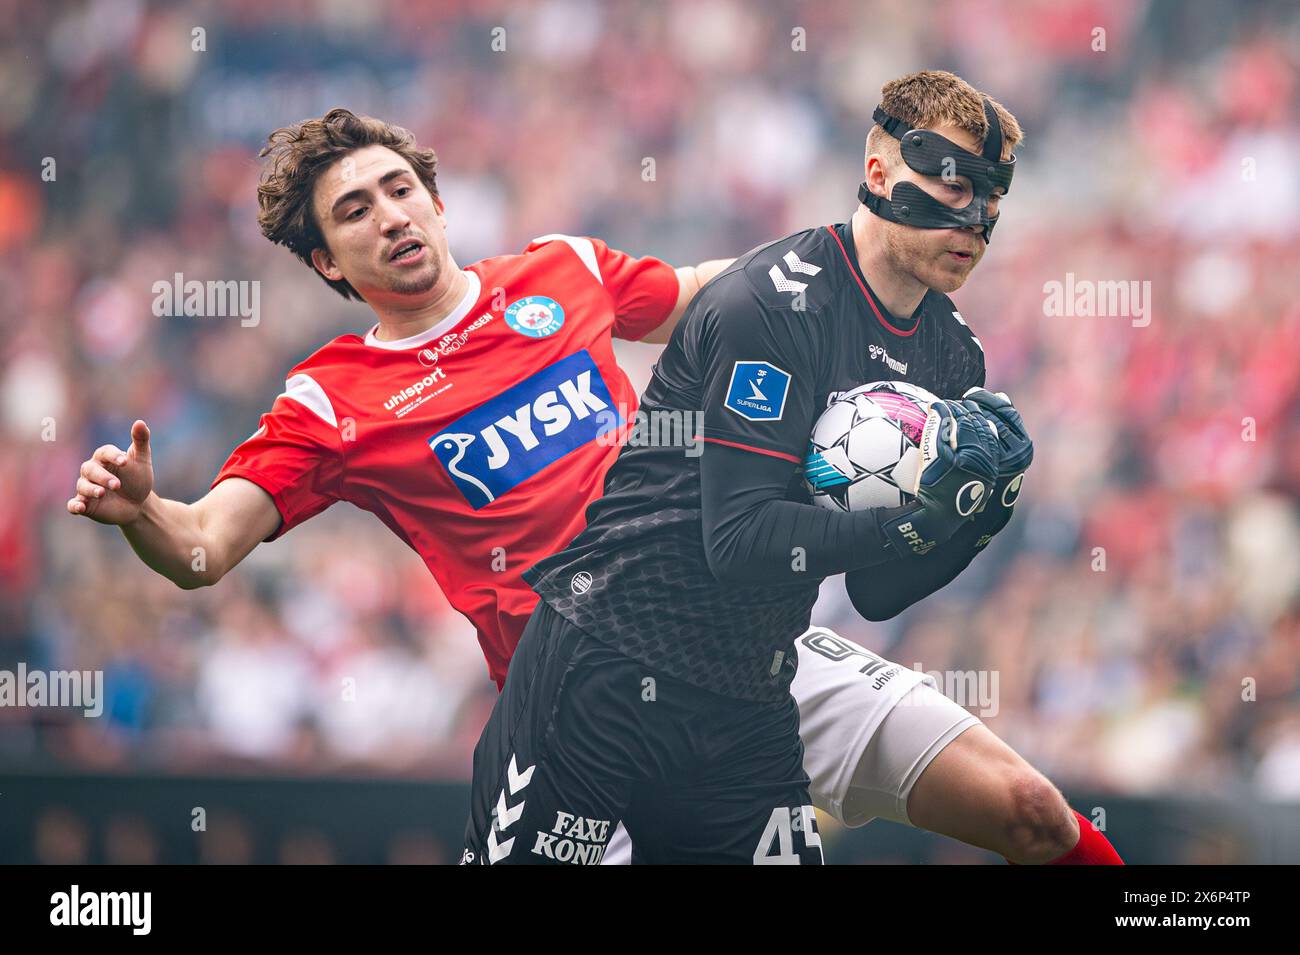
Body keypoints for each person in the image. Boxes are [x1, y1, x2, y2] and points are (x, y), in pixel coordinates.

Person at [463, 70, 1123, 864]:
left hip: (748, 694)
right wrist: (918, 521)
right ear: (880, 173)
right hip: (606, 664)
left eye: (993, 200)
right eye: (954, 185)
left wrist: (969, 521)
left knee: (1034, 815)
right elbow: (738, 539)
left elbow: (877, 590)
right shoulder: (772, 303)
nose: (975, 219)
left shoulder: (955, 352)